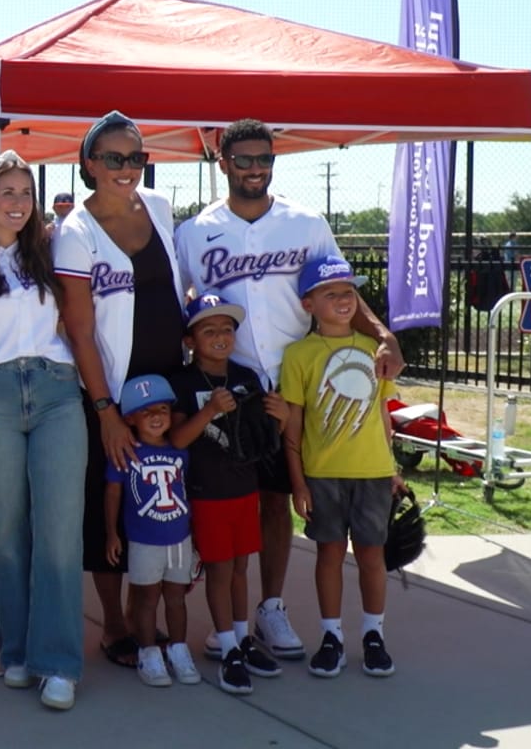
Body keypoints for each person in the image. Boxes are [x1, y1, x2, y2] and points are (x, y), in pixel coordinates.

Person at [174, 117, 403, 662]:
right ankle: (225, 623)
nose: (255, 168)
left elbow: (337, 284)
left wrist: (384, 334)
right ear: (222, 161)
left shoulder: (304, 222)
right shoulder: (194, 231)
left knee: (275, 505)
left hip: (297, 384)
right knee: (222, 505)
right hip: (228, 386)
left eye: (265, 159)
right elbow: (182, 307)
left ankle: (270, 607)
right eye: (244, 159)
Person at [54, 110, 187, 670]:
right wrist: (105, 409)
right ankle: (116, 624)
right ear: (89, 163)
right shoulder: (73, 233)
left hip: (168, 383)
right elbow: (80, 331)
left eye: (136, 157)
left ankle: (150, 615)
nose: (127, 168)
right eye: (114, 158)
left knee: (162, 501)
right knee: (107, 505)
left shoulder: (159, 208)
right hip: (110, 389)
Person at [0, 150, 85, 711]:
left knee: (58, 531)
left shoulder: (49, 254)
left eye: (25, 193)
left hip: (56, 391)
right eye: (6, 192)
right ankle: (16, 653)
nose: (17, 203)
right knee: (7, 532)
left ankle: (58, 663)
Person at [282, 255, 403, 679]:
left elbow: (383, 416)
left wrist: (392, 467)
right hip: (322, 474)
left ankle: (374, 635)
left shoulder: (375, 349)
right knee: (329, 555)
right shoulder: (299, 355)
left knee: (373, 557)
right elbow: (294, 424)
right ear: (308, 304)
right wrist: (297, 481)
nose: (342, 300)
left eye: (348, 292)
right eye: (330, 293)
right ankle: (331, 636)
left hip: (371, 472)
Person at [167, 292, 288, 695]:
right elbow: (178, 440)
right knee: (219, 570)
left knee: (240, 567)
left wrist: (281, 418)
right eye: (208, 330)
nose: (220, 336)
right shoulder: (182, 382)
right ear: (189, 340)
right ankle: (228, 645)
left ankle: (238, 639)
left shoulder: (245, 377)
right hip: (207, 491)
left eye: (226, 329)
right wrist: (208, 412)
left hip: (243, 488)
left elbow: (263, 437)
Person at [103, 375, 195, 689]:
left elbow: (187, 492)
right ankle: (148, 652)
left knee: (176, 599)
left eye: (162, 409)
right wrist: (112, 533)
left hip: (179, 538)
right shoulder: (126, 452)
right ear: (129, 418)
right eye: (146, 412)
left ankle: (179, 650)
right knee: (146, 600)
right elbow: (113, 493)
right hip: (144, 540)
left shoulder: (180, 450)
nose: (156, 416)